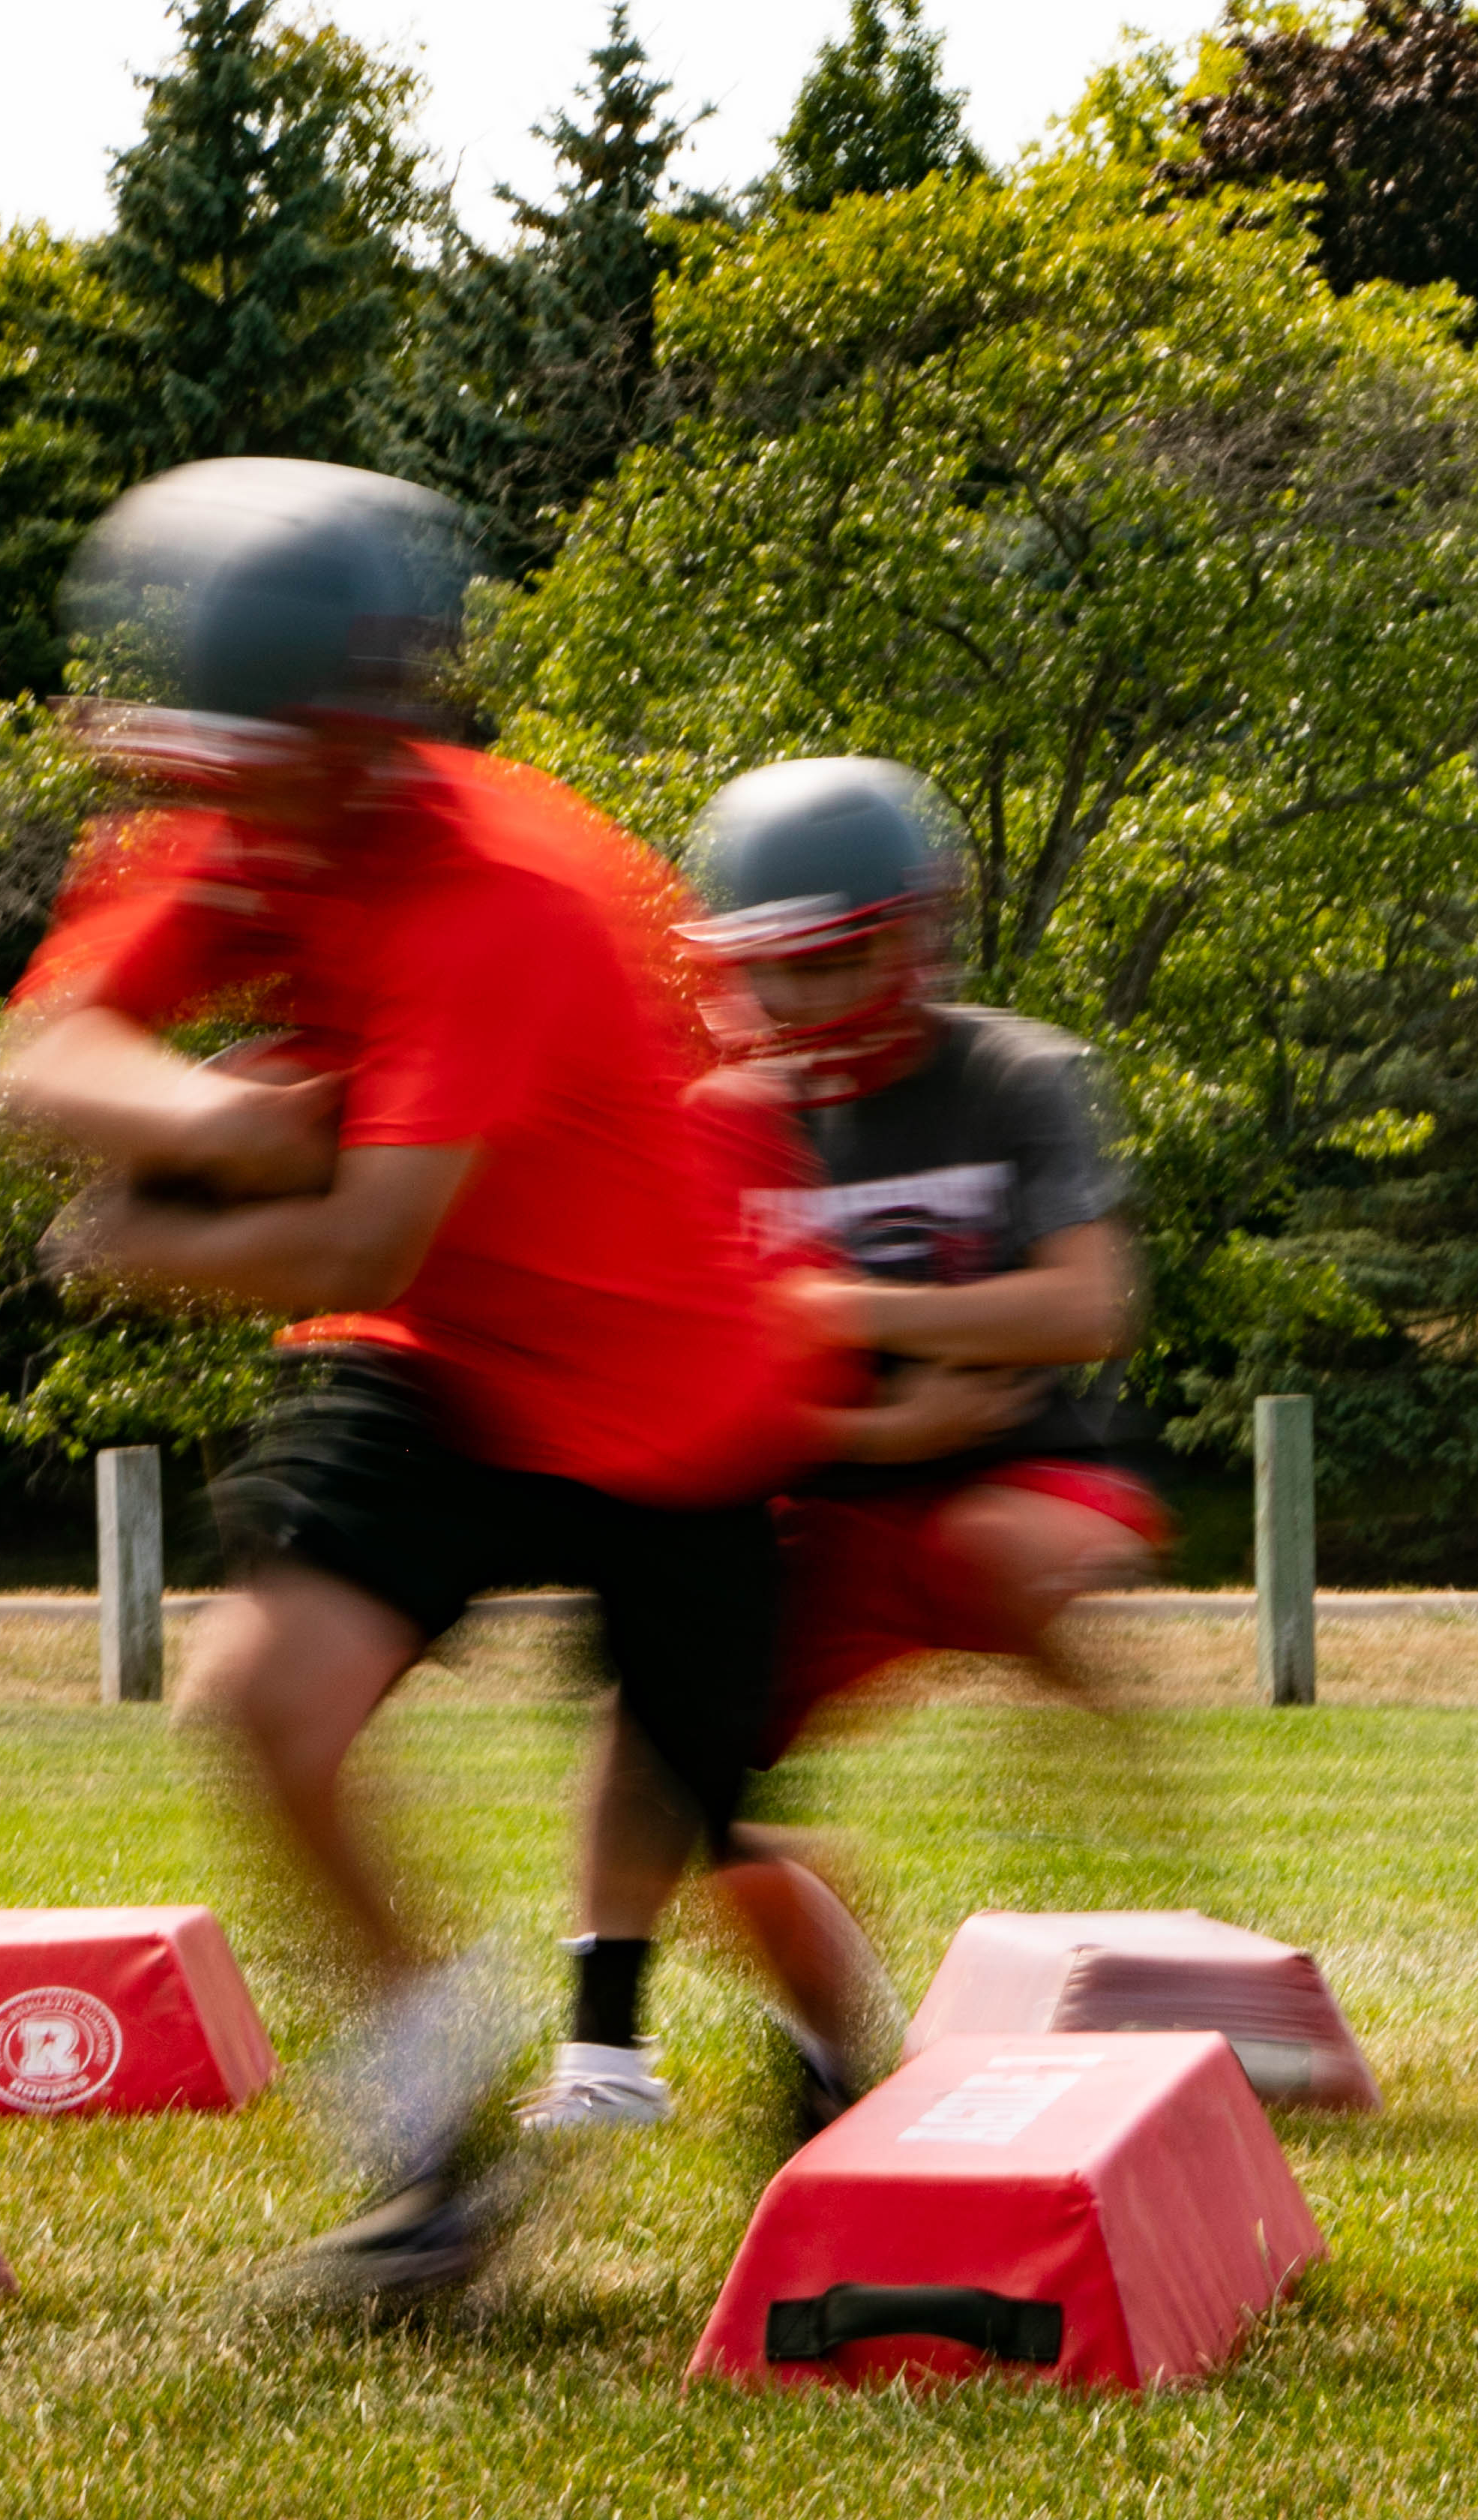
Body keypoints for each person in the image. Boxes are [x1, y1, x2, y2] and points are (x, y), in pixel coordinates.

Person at [0, 458, 820, 2296]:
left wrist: (156, 1236)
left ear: (366, 733)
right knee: (259, 1699)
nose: (219, 813)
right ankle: (434, 2127)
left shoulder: (506, 896)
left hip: (664, 1387)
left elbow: (364, 1233)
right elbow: (37, 1064)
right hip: (445, 1355)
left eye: (263, 766)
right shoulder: (240, 809)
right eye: (210, 765)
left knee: (722, 1818)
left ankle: (841, 2076)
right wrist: (222, 1114)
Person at [517, 755, 1161, 2132]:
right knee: (672, 1744)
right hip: (819, 1482)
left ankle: (1079, 1700)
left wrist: (849, 1303)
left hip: (1012, 1466)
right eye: (765, 969)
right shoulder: (720, 1121)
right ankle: (634, 2045)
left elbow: (1088, 1303)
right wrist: (874, 1411)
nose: (790, 1003)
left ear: (912, 938)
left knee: (993, 1553)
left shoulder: (1014, 1075)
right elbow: (672, 1373)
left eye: (824, 963)